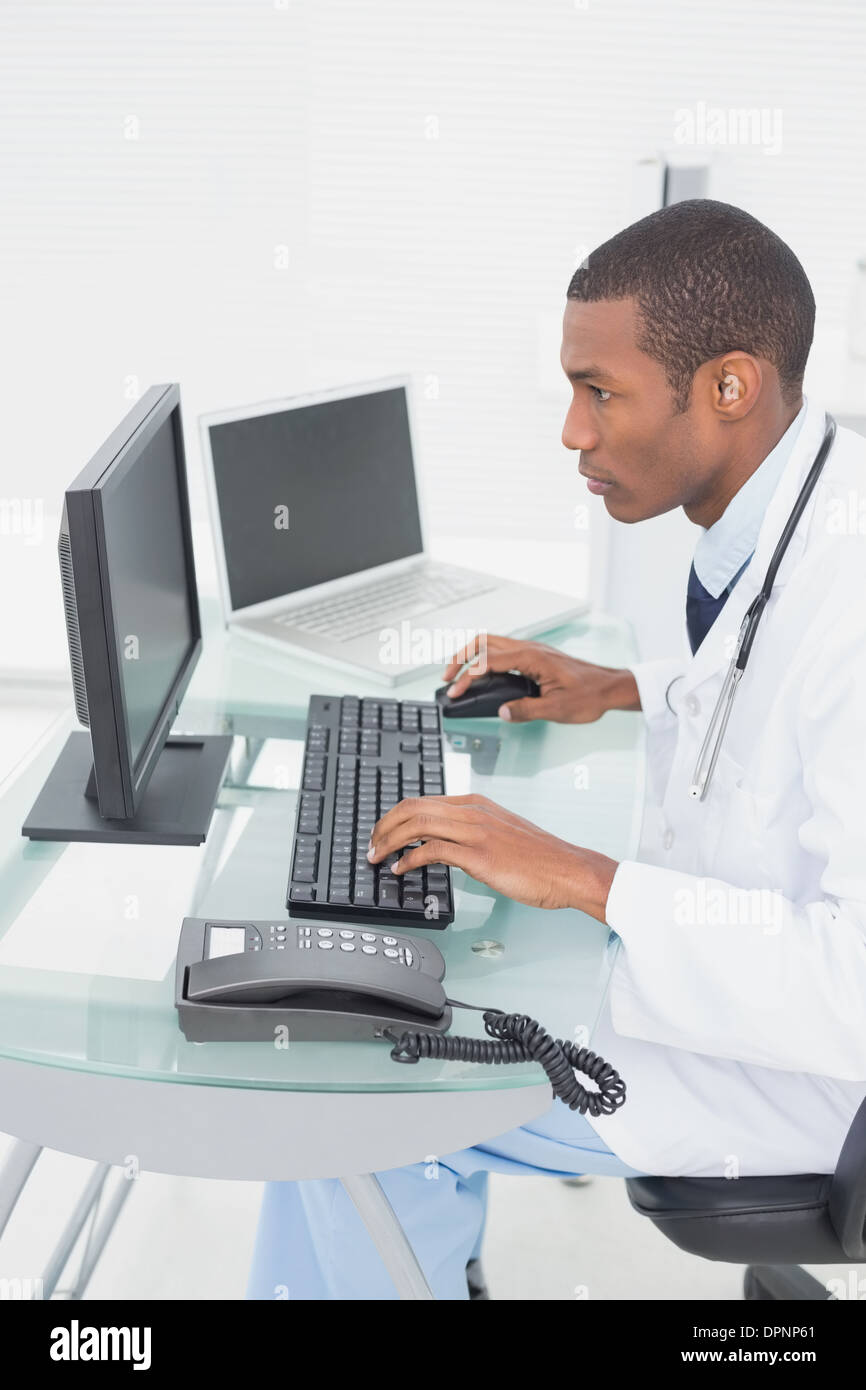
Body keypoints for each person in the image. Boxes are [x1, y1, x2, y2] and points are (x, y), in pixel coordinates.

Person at [248, 199, 866, 1299]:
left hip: (803, 1084)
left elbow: (848, 988)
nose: (573, 434)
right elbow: (772, 714)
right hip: (730, 1000)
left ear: (727, 387)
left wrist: (582, 878)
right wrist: (621, 691)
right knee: (381, 1024)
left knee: (346, 1103)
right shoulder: (802, 514)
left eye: (599, 392)